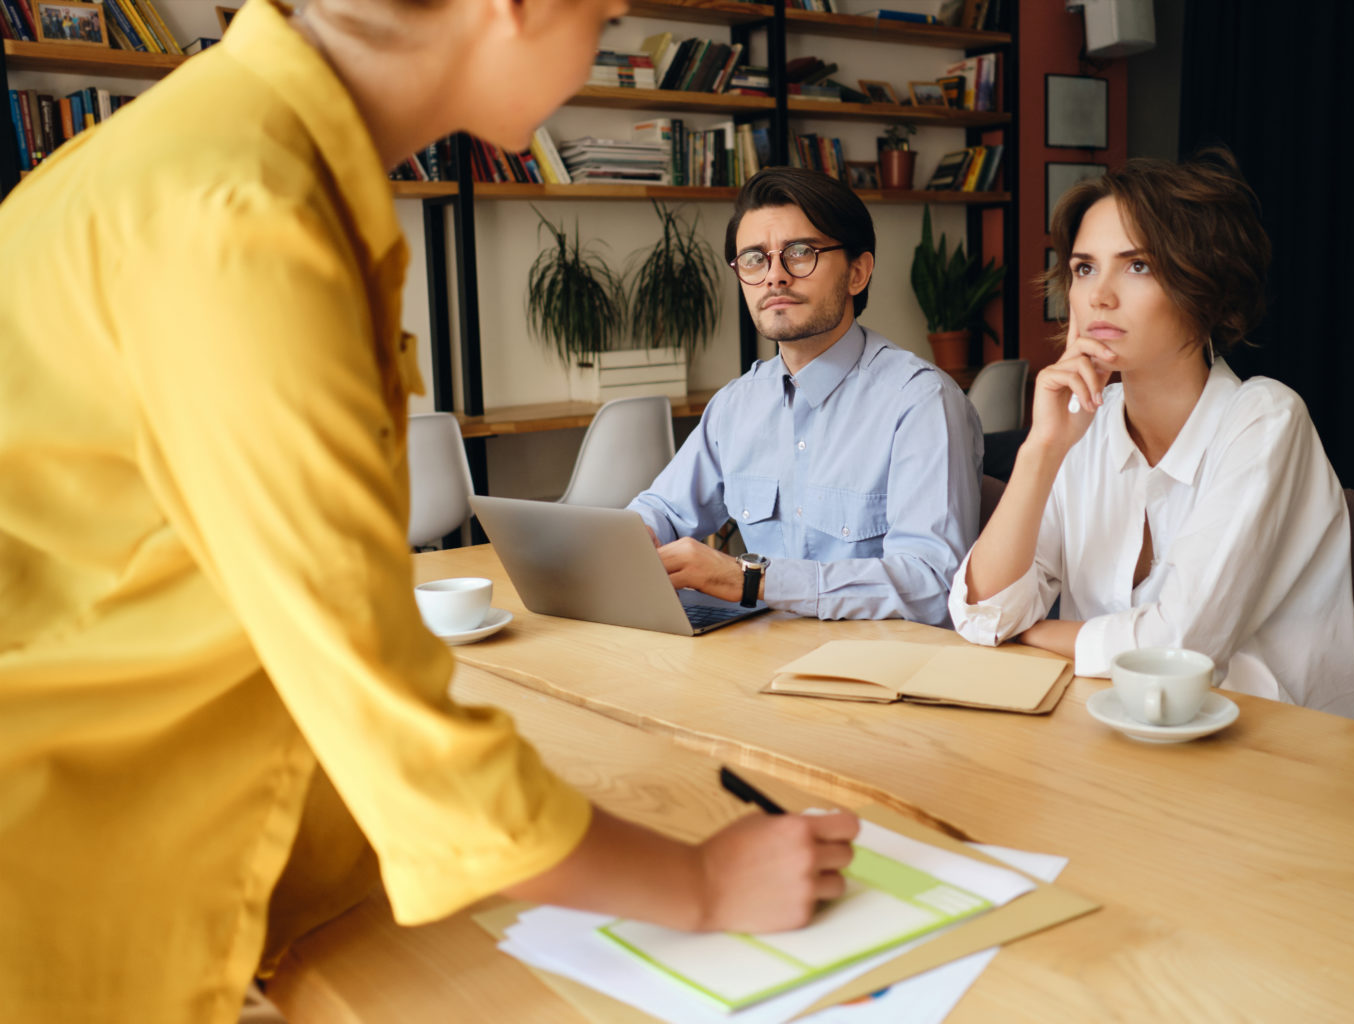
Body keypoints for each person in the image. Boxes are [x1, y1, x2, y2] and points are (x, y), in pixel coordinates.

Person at [0, 2, 860, 1021]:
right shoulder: (246, 215)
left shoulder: (207, 155)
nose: (602, 45)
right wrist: (703, 884)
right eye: (607, 14)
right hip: (72, 879)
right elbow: (377, 698)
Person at [949, 151, 1354, 724]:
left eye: (1138, 266)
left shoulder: (1266, 421)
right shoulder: (1088, 423)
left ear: (1206, 289)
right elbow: (983, 614)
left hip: (1281, 754)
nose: (1100, 295)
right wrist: (1042, 450)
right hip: (1121, 736)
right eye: (1084, 268)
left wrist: (1031, 633)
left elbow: (1182, 648)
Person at [628, 167, 984, 627]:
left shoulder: (921, 402)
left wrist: (751, 581)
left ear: (858, 272)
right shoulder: (736, 404)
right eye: (755, 259)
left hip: (877, 672)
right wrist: (628, 537)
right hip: (757, 654)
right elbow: (664, 511)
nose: (775, 276)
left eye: (800, 253)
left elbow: (932, 584)